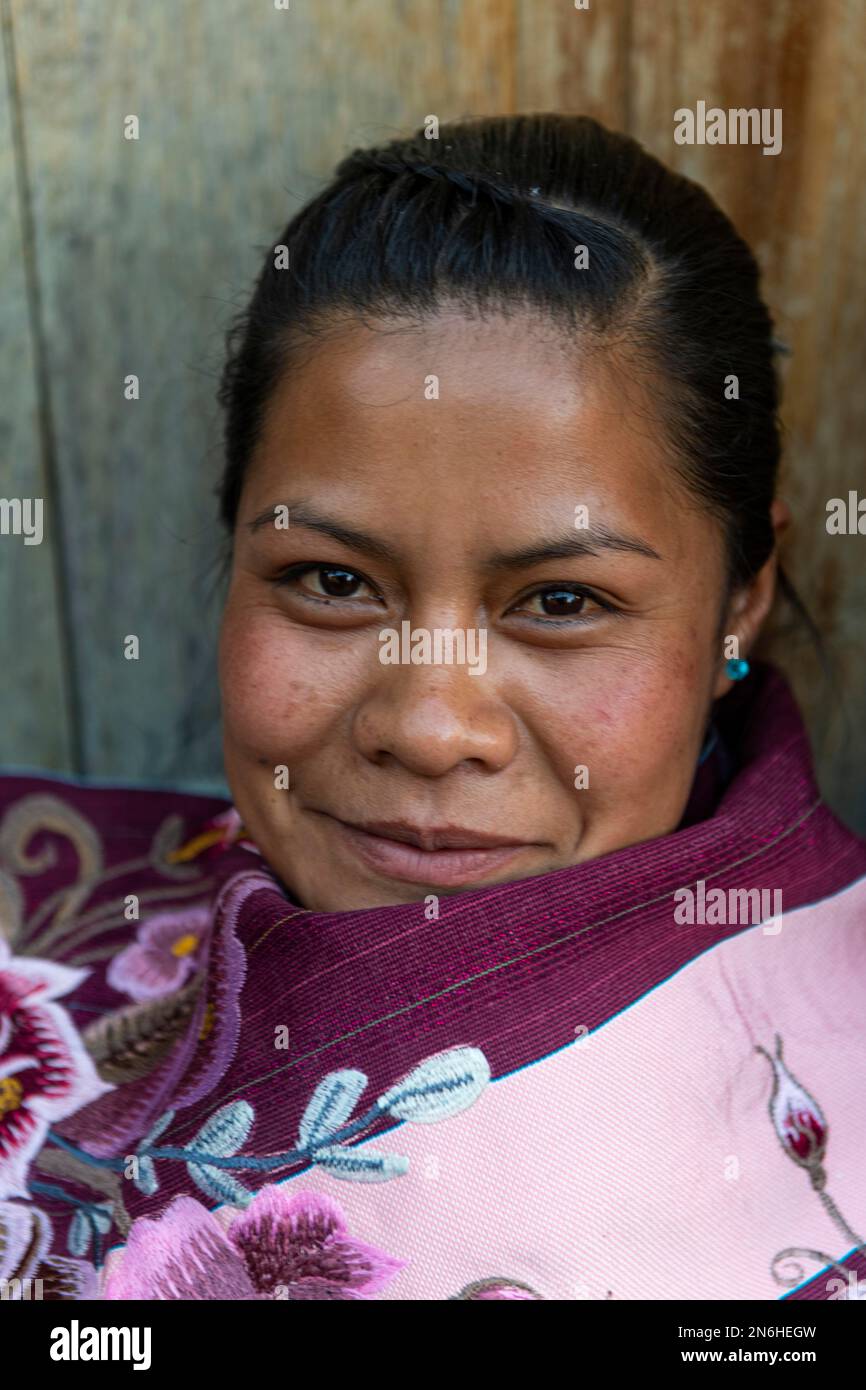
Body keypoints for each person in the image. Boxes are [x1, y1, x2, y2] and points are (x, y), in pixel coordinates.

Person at [2, 113, 864, 1302]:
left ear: (739, 600)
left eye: (560, 600)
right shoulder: (46, 940)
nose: (426, 724)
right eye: (333, 581)